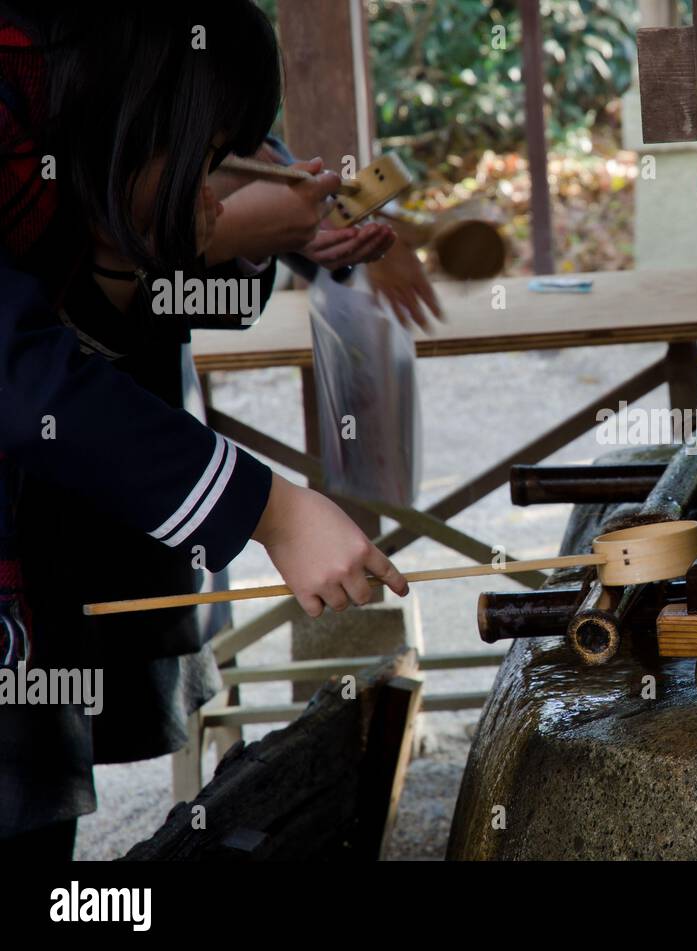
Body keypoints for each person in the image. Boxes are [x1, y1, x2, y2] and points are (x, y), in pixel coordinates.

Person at [0, 0, 411, 858]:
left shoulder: (80, 97)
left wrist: (142, 252)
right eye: (204, 157)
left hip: (35, 531)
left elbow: (65, 323)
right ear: (135, 105)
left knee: (35, 809)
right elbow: (17, 366)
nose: (213, 184)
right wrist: (273, 510)